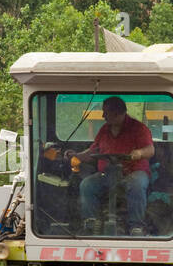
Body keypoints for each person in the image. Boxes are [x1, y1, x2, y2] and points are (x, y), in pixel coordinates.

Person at [65, 96, 154, 233]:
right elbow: (93, 151)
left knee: (137, 184)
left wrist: (139, 153)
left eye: (106, 113)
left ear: (117, 113)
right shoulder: (105, 130)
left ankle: (136, 226)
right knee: (87, 184)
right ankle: (91, 223)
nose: (102, 116)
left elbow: (150, 150)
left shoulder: (138, 129)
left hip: (133, 172)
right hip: (108, 174)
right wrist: (77, 155)